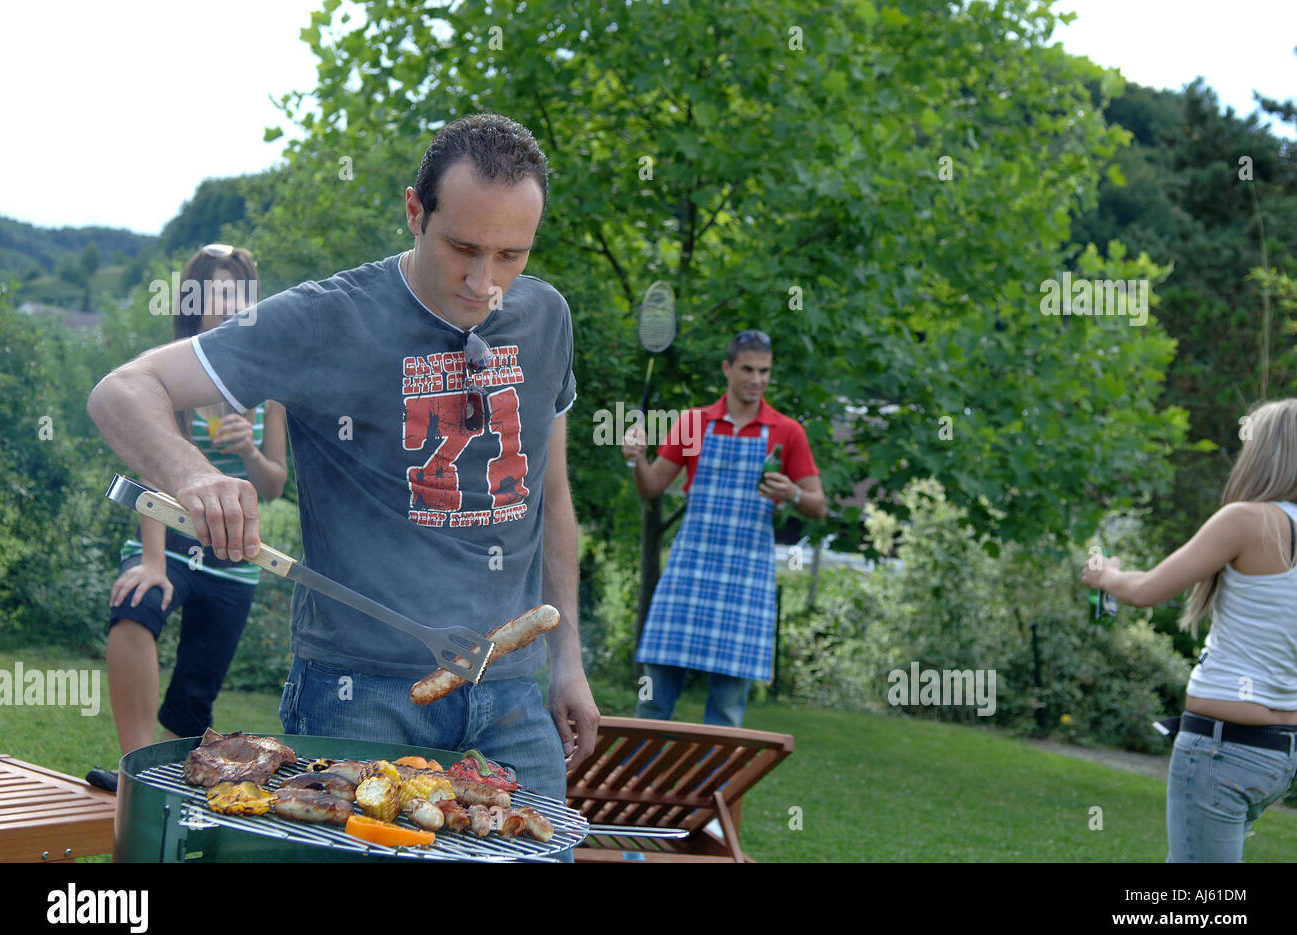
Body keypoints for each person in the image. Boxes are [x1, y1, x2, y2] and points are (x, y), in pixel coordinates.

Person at [87, 114, 599, 817]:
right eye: (462, 248)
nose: (485, 283)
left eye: (511, 254)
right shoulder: (328, 320)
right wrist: (192, 473)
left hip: (513, 698)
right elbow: (122, 390)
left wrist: (567, 659)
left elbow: (553, 497)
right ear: (415, 212)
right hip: (363, 697)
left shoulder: (546, 318)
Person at [93, 245, 287, 790]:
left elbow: (273, 484)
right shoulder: (170, 373)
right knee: (135, 608)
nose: (226, 304)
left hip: (233, 552)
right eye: (216, 293)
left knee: (192, 705)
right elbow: (154, 471)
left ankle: (174, 786)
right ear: (193, 302)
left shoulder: (269, 386)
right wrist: (151, 562)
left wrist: (248, 453)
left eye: (237, 293)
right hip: (171, 538)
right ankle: (134, 771)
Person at [1082, 397, 1297, 862]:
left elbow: (1144, 590)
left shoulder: (1247, 520)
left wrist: (1104, 576)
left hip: (1223, 749)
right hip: (1280, 755)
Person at [621, 330, 827, 726]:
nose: (757, 379)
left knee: (728, 712)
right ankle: (635, 783)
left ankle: (713, 790)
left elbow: (819, 505)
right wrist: (636, 460)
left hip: (747, 580)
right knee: (653, 702)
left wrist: (794, 494)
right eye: (748, 369)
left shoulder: (788, 432)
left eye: (764, 371)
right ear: (727, 369)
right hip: (689, 571)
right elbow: (652, 489)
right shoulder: (693, 422)